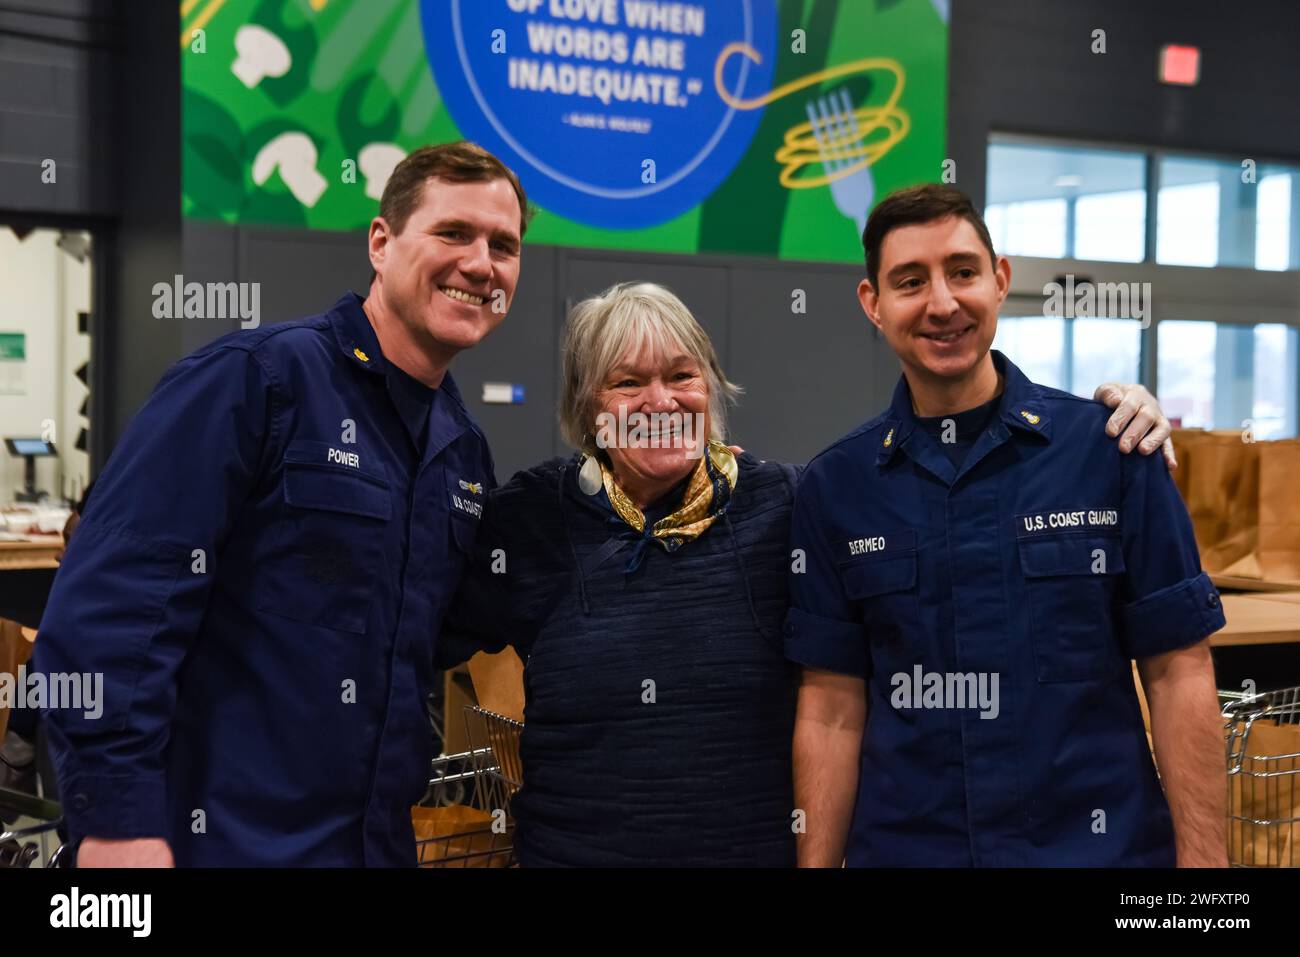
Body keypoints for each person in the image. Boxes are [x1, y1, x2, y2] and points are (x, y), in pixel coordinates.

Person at [440, 280, 1177, 867]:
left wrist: (1098, 427)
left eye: (682, 375)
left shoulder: (791, 502)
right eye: (627, 382)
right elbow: (419, 627)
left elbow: (943, 527)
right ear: (587, 408)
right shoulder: (532, 518)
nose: (660, 402)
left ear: (712, 389)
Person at [32, 141, 527, 866]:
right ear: (381, 243)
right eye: (453, 232)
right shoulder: (254, 382)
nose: (481, 262)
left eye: (503, 245)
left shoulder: (462, 451)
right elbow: (111, 612)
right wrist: (117, 825)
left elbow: (437, 631)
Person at [787, 184, 1227, 868]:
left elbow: (1178, 670)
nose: (942, 302)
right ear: (873, 304)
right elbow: (831, 707)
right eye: (910, 281)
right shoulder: (837, 487)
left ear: (1000, 280)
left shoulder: (1111, 452)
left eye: (962, 271)